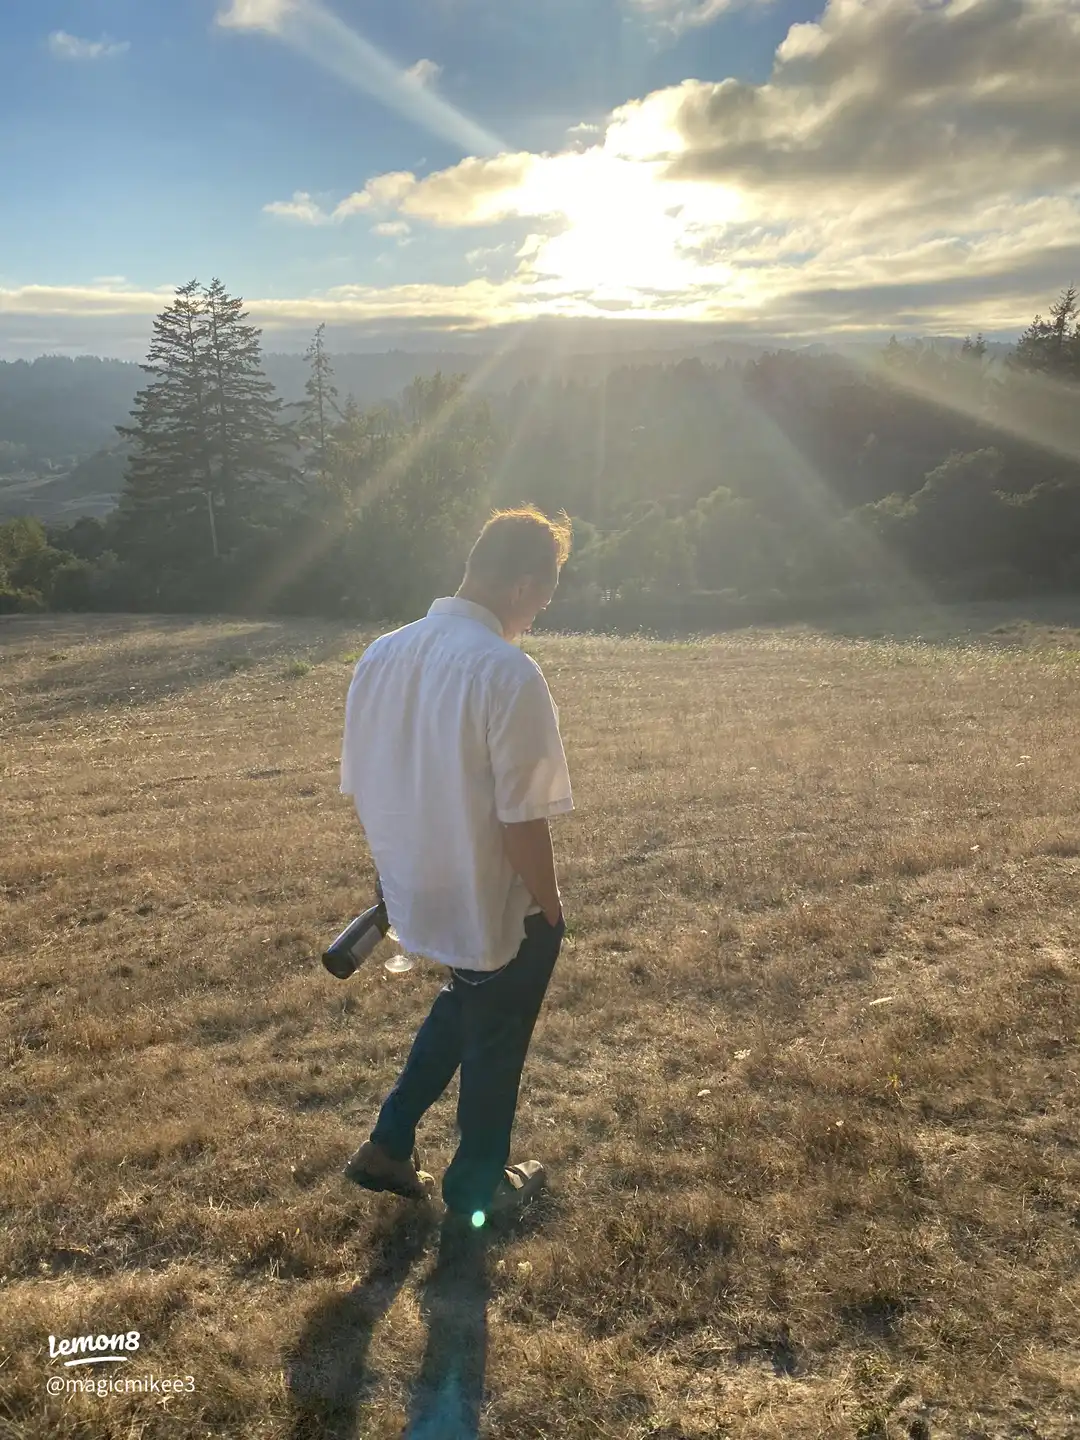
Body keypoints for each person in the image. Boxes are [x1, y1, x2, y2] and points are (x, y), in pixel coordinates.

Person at [338, 506, 575, 1225]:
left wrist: (394, 878)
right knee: (497, 1034)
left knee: (465, 1001)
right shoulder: (508, 671)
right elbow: (521, 818)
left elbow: (368, 783)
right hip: (493, 897)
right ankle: (478, 1189)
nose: (539, 613)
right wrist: (552, 909)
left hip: (419, 888)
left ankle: (388, 1143)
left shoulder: (380, 654)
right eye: (543, 597)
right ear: (522, 585)